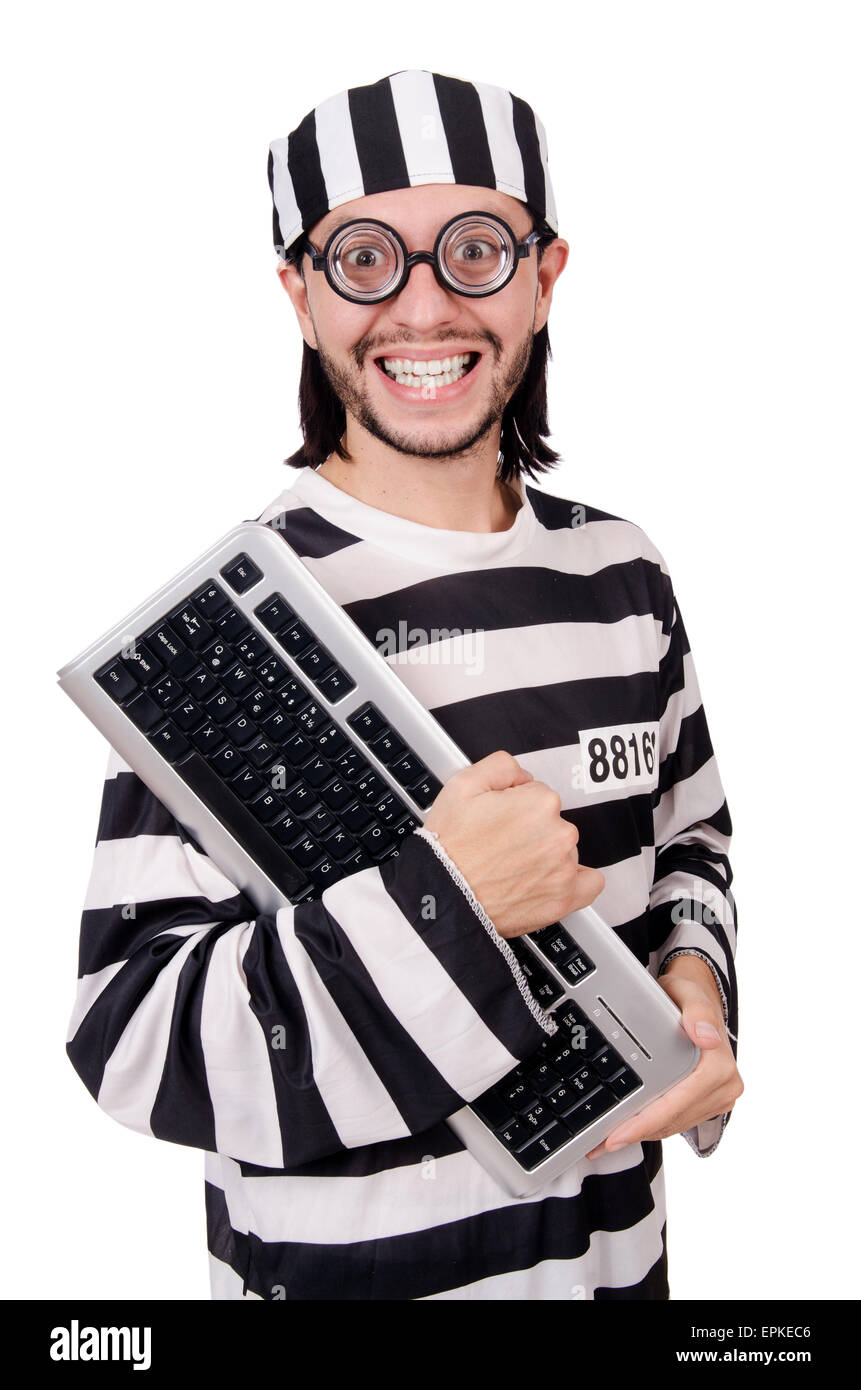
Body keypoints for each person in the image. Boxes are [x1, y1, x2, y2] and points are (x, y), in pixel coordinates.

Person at [67, 69, 742, 1300]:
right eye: (366, 259)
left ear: (544, 278)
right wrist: (448, 900)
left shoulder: (623, 572)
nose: (423, 308)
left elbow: (693, 846)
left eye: (475, 251)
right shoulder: (240, 630)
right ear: (302, 296)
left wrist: (694, 988)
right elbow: (135, 1041)